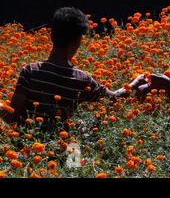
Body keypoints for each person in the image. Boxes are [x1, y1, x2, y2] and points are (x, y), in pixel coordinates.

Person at [0, 7, 146, 127]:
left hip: (27, 150)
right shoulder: (82, 80)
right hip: (59, 150)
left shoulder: (30, 72)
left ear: (51, 36)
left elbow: (13, 116)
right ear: (77, 42)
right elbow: (114, 98)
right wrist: (135, 82)